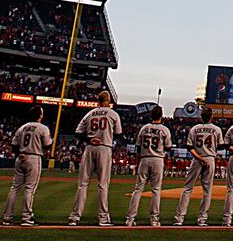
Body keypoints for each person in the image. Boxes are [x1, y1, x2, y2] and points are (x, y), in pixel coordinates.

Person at [68, 90, 122, 226]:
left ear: (98, 100)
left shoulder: (89, 113)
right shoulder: (113, 114)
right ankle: (103, 218)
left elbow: (78, 132)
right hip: (104, 147)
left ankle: (74, 217)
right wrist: (106, 136)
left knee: (83, 184)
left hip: (89, 148)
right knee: (103, 184)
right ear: (108, 100)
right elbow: (119, 133)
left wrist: (90, 140)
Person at [3, 105, 52, 227]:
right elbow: (47, 145)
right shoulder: (42, 127)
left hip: (20, 158)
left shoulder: (22, 128)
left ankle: (7, 218)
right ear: (40, 115)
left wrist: (20, 153)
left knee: (15, 188)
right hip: (33, 157)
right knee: (29, 189)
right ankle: (26, 218)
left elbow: (14, 145)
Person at [173, 106, 223, 226]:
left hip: (197, 158)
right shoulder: (216, 129)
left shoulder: (194, 129)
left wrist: (199, 158)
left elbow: (189, 147)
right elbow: (221, 146)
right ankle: (202, 219)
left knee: (187, 188)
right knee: (207, 190)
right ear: (211, 117)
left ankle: (179, 218)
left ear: (201, 117)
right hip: (210, 158)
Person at [125, 105, 171, 227]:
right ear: (161, 115)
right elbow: (168, 146)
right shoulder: (165, 130)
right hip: (157, 159)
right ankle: (154, 220)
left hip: (144, 158)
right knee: (156, 190)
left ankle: (130, 219)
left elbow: (138, 147)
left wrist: (137, 162)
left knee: (138, 189)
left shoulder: (144, 128)